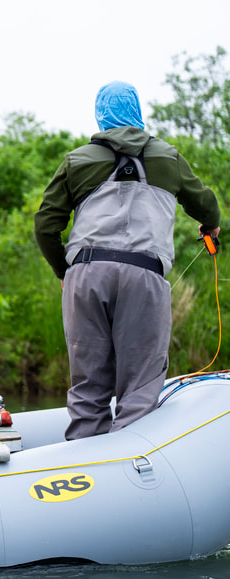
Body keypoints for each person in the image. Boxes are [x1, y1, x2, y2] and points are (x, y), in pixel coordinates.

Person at [34, 81, 221, 440]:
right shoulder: (168, 156)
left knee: (88, 387)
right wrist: (210, 225)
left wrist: (65, 272)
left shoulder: (77, 160)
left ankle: (83, 477)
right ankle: (130, 474)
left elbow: (45, 226)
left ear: (101, 116)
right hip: (144, 275)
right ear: (137, 112)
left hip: (86, 275)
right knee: (138, 389)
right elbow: (207, 207)